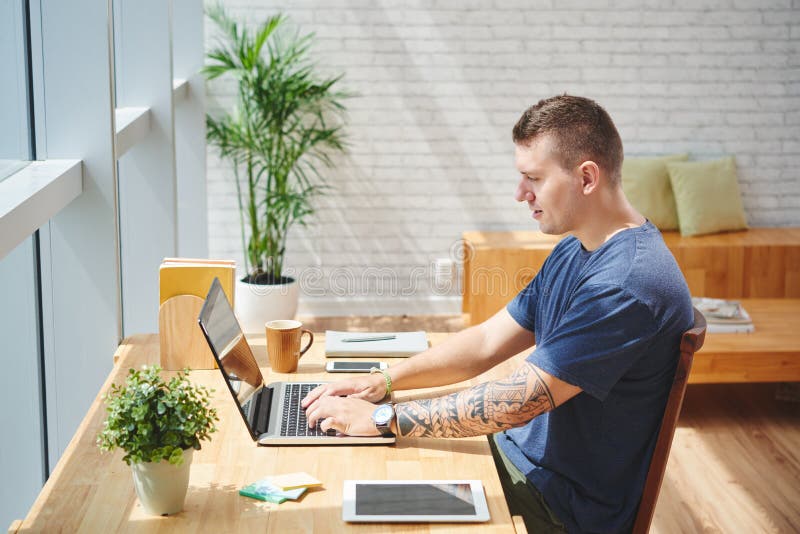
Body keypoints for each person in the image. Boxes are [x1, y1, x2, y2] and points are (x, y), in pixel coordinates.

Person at [302, 94, 693, 533]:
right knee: (351, 472)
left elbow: (521, 401)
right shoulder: (576, 249)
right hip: (518, 460)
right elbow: (487, 341)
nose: (520, 194)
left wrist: (382, 418)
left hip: (560, 507)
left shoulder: (626, 284)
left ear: (586, 177)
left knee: (356, 495)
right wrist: (384, 381)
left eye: (534, 179)